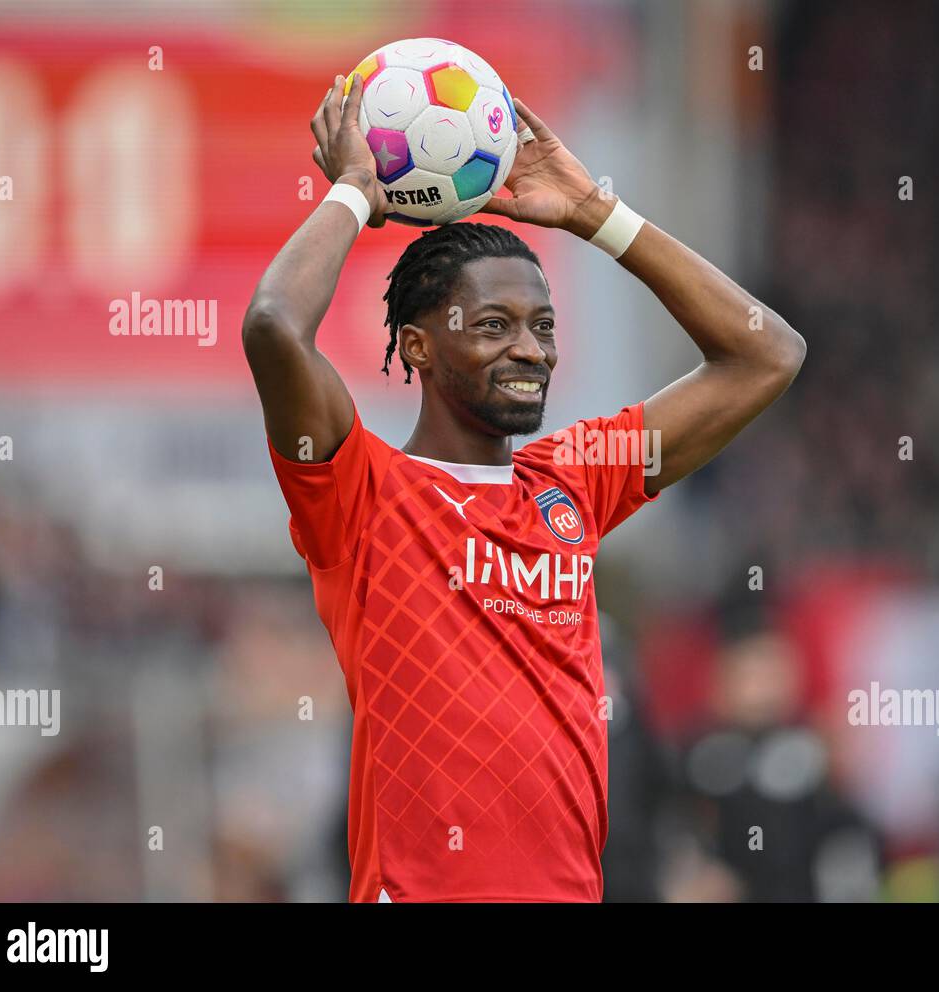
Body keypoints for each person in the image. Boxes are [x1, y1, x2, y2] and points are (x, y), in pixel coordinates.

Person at [242, 71, 806, 902]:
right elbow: (273, 327)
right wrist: (356, 193)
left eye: (543, 326)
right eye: (495, 325)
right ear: (419, 347)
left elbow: (768, 353)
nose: (533, 350)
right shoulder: (361, 493)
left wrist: (594, 215)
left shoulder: (574, 481)